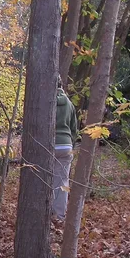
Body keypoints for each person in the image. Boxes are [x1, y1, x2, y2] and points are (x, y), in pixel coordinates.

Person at [52, 85, 78, 221]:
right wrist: (70, 143)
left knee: (45, 178)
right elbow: (75, 129)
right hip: (66, 145)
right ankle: (60, 216)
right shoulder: (69, 104)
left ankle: (48, 212)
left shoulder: (47, 102)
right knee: (62, 181)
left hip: (49, 144)